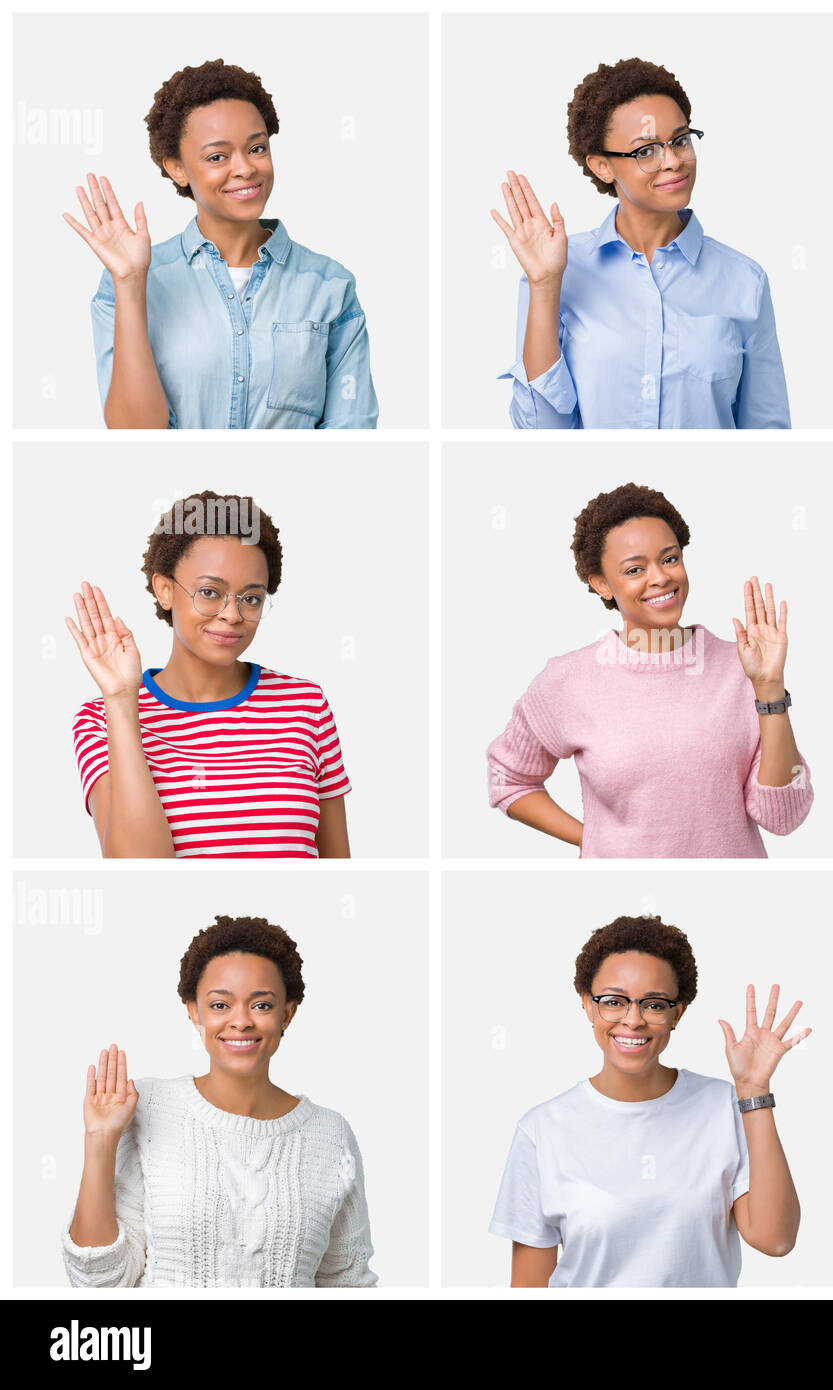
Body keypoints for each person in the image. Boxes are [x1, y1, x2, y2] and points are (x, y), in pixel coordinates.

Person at [486, 482, 813, 857]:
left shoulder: (743, 669)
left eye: (670, 559)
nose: (660, 577)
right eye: (635, 569)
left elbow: (783, 817)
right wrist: (590, 839)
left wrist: (770, 688)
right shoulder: (569, 681)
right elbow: (508, 779)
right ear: (601, 584)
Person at [490, 914, 809, 1287]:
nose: (633, 1020)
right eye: (613, 1001)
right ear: (588, 1005)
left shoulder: (724, 1107)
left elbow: (776, 1239)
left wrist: (754, 1090)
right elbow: (529, 1288)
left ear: (678, 1012)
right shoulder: (542, 1130)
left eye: (654, 1005)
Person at [63, 916, 377, 1287]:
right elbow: (99, 1282)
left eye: (261, 1005)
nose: (241, 1021)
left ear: (286, 1015)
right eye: (219, 1005)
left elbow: (348, 1283)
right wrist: (100, 1140)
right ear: (193, 1011)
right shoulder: (147, 1108)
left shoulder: (331, 1135)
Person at [63, 59, 377, 429]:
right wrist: (131, 283)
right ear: (177, 168)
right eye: (217, 157)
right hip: (175, 488)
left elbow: (351, 436)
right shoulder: (129, 284)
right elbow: (136, 437)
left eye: (257, 149)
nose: (245, 168)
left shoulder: (330, 286)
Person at [491, 57, 790, 429]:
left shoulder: (745, 281)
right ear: (602, 166)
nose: (673, 162)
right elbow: (542, 433)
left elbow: (767, 433)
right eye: (645, 150)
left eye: (680, 141)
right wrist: (545, 285)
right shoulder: (560, 271)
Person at [68, 491, 352, 858]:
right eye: (209, 592)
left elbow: (338, 871)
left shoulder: (306, 705)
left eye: (251, 598)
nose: (232, 615)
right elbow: (139, 877)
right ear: (165, 589)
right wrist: (122, 701)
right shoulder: (100, 720)